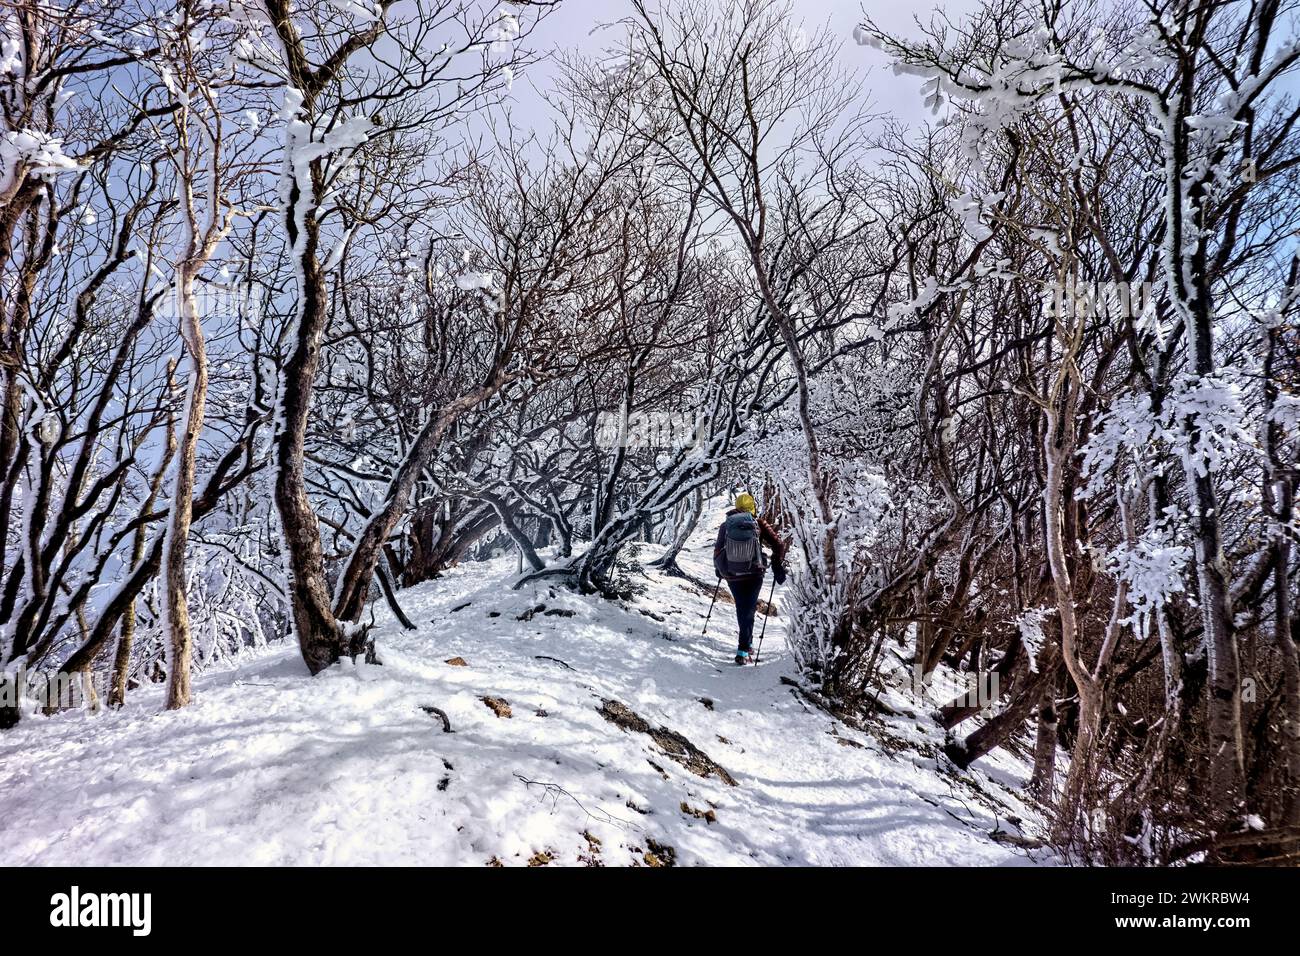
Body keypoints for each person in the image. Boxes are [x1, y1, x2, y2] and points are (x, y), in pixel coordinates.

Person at [713, 493, 786, 665]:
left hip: (732, 575)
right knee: (749, 609)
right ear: (753, 507)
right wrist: (776, 565)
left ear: (736, 506)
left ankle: (745, 646)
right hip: (754, 573)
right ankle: (744, 648)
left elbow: (717, 551)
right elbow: (779, 545)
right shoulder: (759, 523)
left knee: (742, 609)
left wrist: (720, 569)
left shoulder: (726, 525)